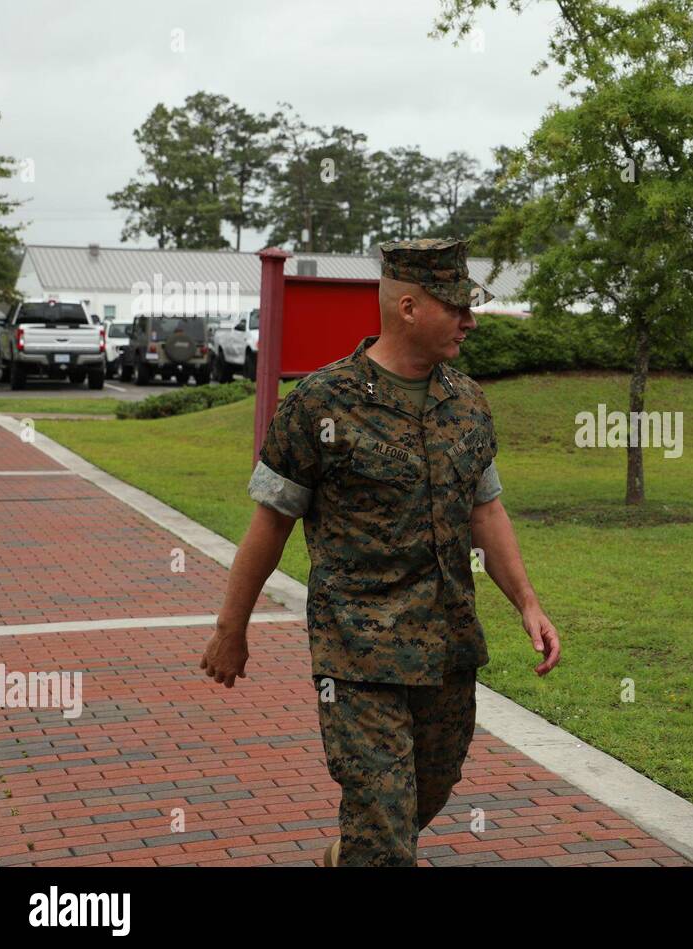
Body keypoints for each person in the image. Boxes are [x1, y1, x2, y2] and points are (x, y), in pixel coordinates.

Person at [200, 238, 561, 866]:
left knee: (429, 790)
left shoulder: (468, 403)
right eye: (458, 308)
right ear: (411, 307)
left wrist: (527, 602)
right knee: (385, 826)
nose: (470, 322)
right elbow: (270, 525)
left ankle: (355, 852)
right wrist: (232, 628)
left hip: (448, 646)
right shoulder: (321, 403)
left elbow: (486, 509)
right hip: (358, 655)